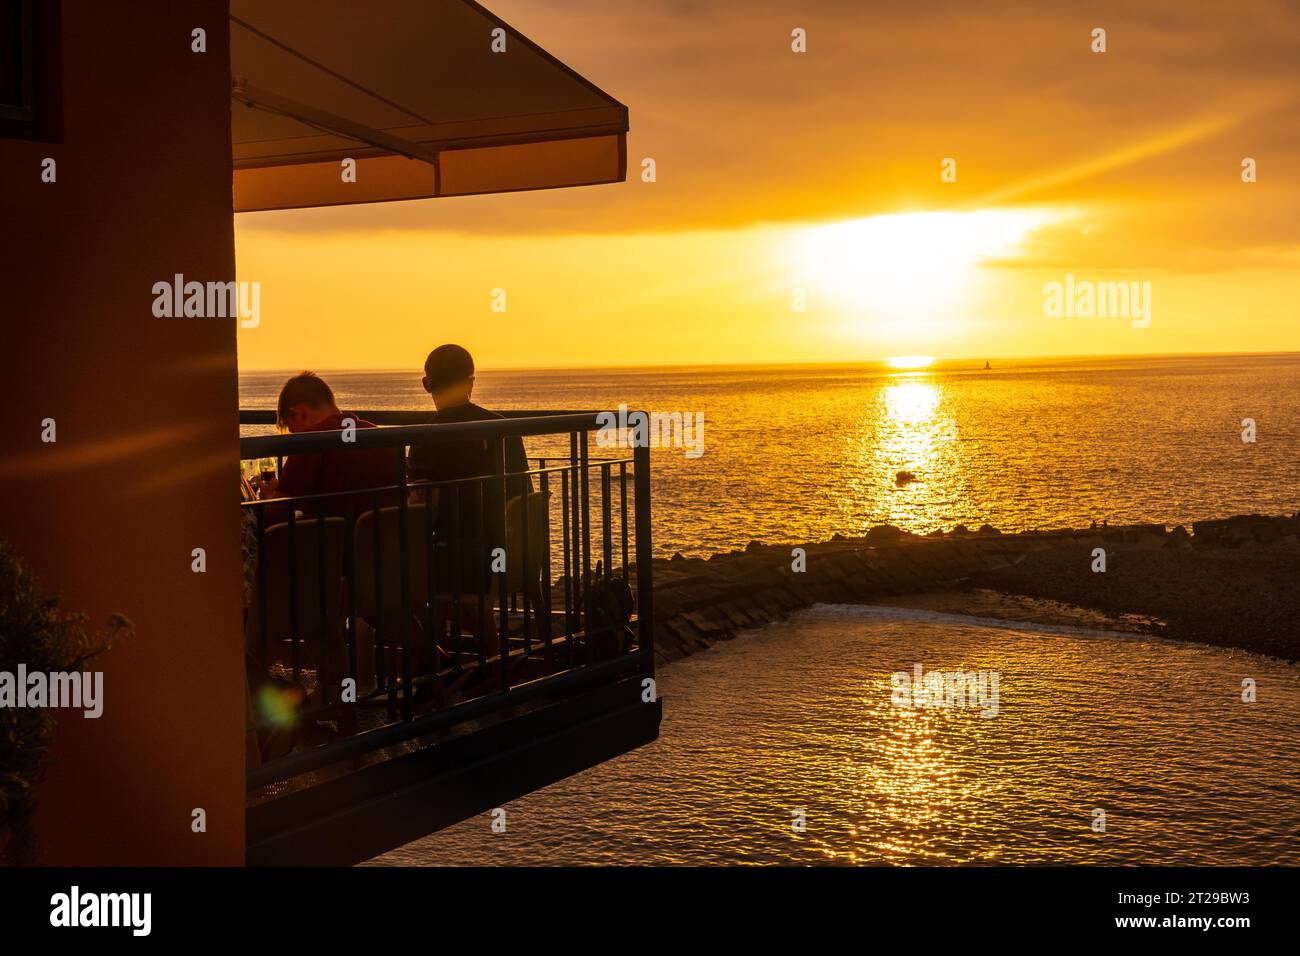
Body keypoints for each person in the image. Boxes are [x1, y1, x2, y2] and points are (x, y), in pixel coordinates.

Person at [408, 346, 536, 653]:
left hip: (465, 561)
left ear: (426, 384)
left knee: (390, 578)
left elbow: (424, 511)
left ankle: (433, 663)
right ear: (471, 382)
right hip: (513, 553)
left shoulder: (427, 438)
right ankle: (475, 658)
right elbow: (524, 493)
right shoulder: (502, 429)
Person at [258, 372, 401, 520]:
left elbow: (276, 514)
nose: (294, 436)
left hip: (333, 533)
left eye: (292, 429)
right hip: (387, 531)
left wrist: (268, 498)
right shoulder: (378, 436)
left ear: (300, 414)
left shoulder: (308, 444)